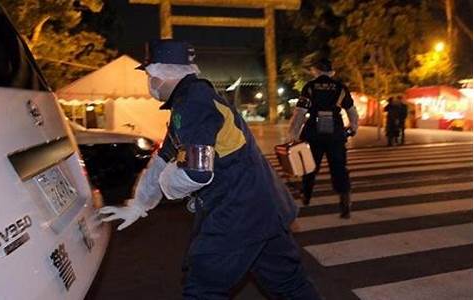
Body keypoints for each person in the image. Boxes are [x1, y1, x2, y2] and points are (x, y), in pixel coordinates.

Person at [99, 39, 321, 300]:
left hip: (238, 215)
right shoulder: (196, 98)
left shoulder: (192, 103)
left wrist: (169, 184)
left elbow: (196, 172)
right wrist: (139, 203)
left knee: (203, 288)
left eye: (150, 76)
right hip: (264, 210)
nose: (149, 83)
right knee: (291, 287)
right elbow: (163, 157)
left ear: (162, 74)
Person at [288, 58, 359, 218]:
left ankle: (306, 195)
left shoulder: (310, 87)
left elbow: (299, 112)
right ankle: (345, 200)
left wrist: (293, 133)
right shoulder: (340, 88)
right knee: (339, 167)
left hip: (314, 132)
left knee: (310, 166)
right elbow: (351, 110)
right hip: (335, 131)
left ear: (316, 71)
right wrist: (353, 127)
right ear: (331, 72)